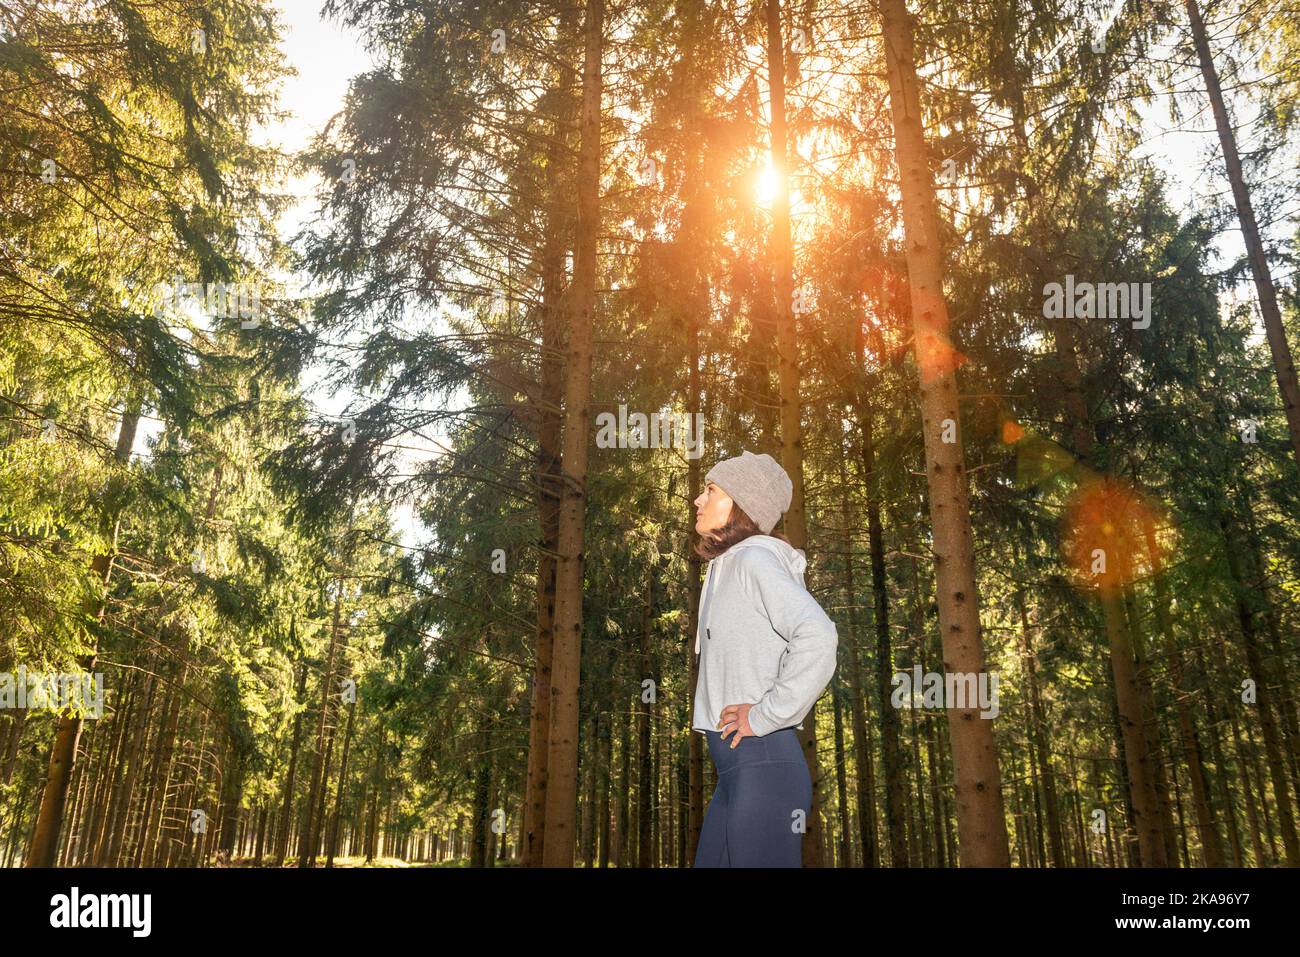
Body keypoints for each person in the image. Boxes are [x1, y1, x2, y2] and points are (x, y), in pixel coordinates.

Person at [690, 450, 838, 867]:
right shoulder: (731, 564)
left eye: (711, 490)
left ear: (741, 503)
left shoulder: (753, 558)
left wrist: (764, 715)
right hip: (738, 773)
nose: (698, 501)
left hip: (765, 765)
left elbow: (819, 635)